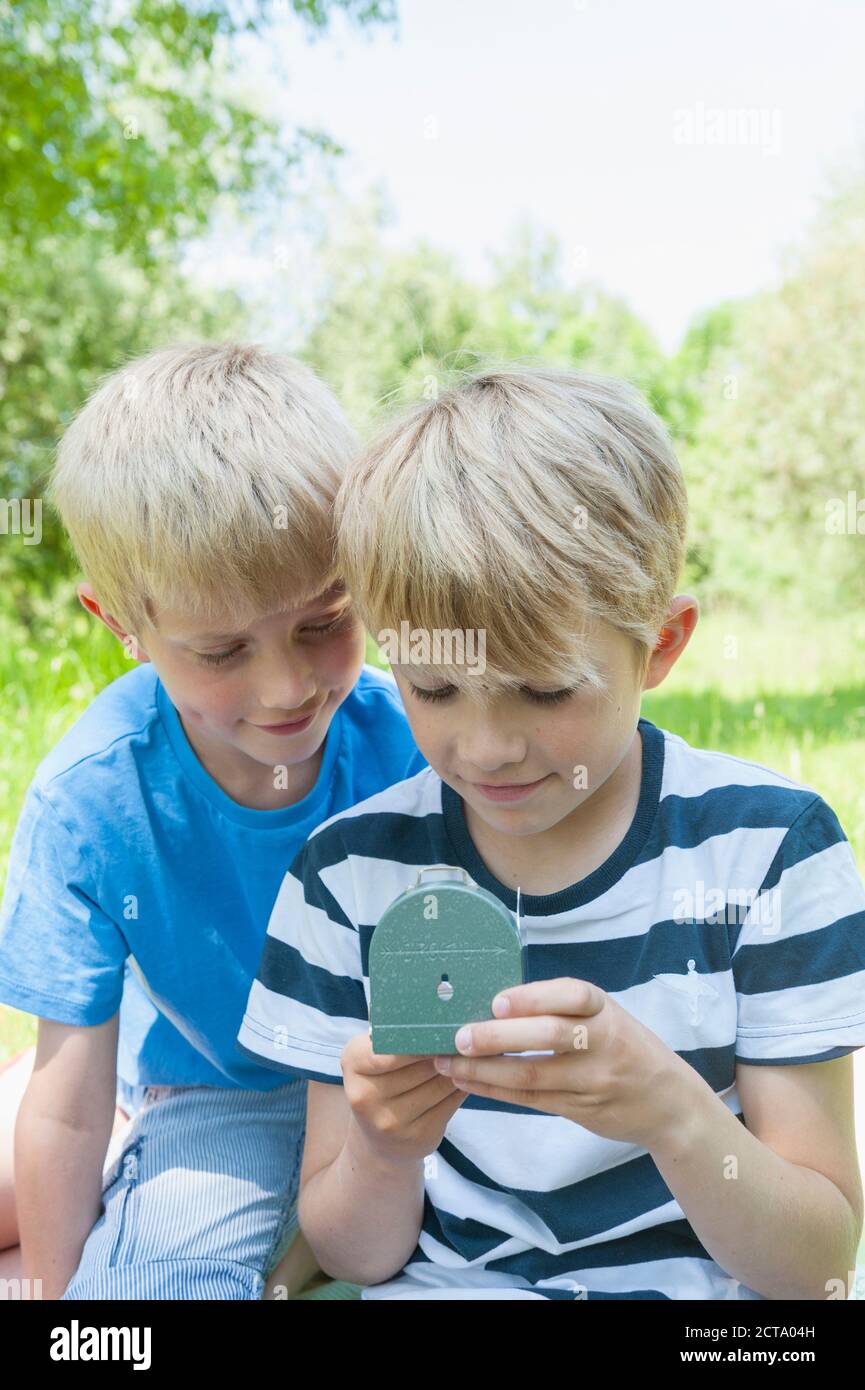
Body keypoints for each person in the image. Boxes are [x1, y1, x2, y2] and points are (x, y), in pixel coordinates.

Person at [236, 363, 865, 1300]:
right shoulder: (351, 874)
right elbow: (355, 1255)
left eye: (544, 689)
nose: (486, 748)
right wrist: (381, 1144)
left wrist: (672, 1115)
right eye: (434, 689)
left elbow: (813, 1268)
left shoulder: (766, 849)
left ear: (660, 644)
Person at [0, 342, 426, 1300]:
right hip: (177, 1074)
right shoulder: (93, 796)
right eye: (220, 649)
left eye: (324, 622)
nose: (285, 688)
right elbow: (62, 1104)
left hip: (310, 1087)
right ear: (121, 623)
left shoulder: (413, 746)